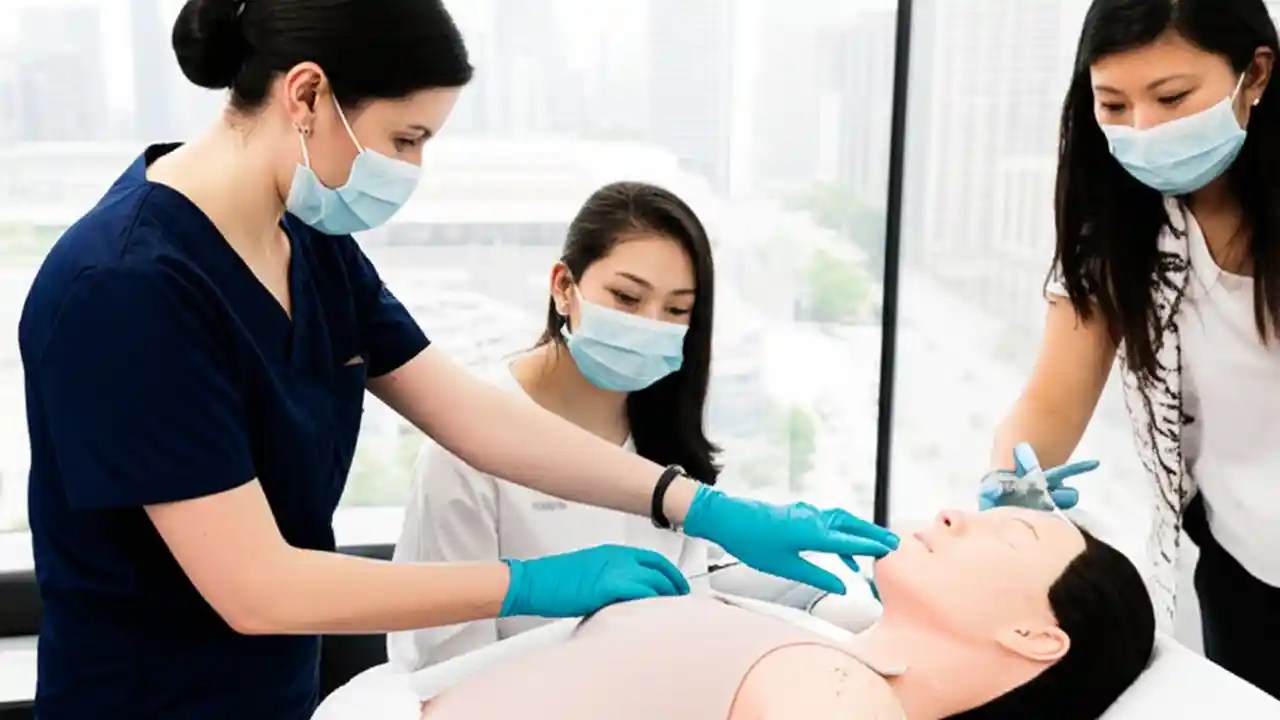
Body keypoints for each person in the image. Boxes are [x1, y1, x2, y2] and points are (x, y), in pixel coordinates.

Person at [16, 1, 899, 717]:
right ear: (308, 95)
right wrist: (528, 582)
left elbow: (471, 416)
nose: (413, 168)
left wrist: (699, 505)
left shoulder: (306, 244)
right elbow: (256, 588)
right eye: (407, 139)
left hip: (273, 694)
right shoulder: (126, 289)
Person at [388, 181, 868, 669]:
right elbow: (445, 662)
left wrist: (834, 615)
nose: (651, 324)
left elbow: (688, 605)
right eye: (626, 297)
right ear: (563, 287)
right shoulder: (467, 444)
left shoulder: (665, 435)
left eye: (677, 309)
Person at [983, 0, 1280, 699]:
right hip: (1243, 575)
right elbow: (1048, 404)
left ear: (1256, 74)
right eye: (1113, 104)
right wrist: (1009, 491)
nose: (1144, 129)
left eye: (1172, 97)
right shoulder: (1117, 234)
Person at [416, 507, 1156, 720]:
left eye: (1012, 531)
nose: (958, 516)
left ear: (1035, 637)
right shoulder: (828, 650)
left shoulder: (843, 698)